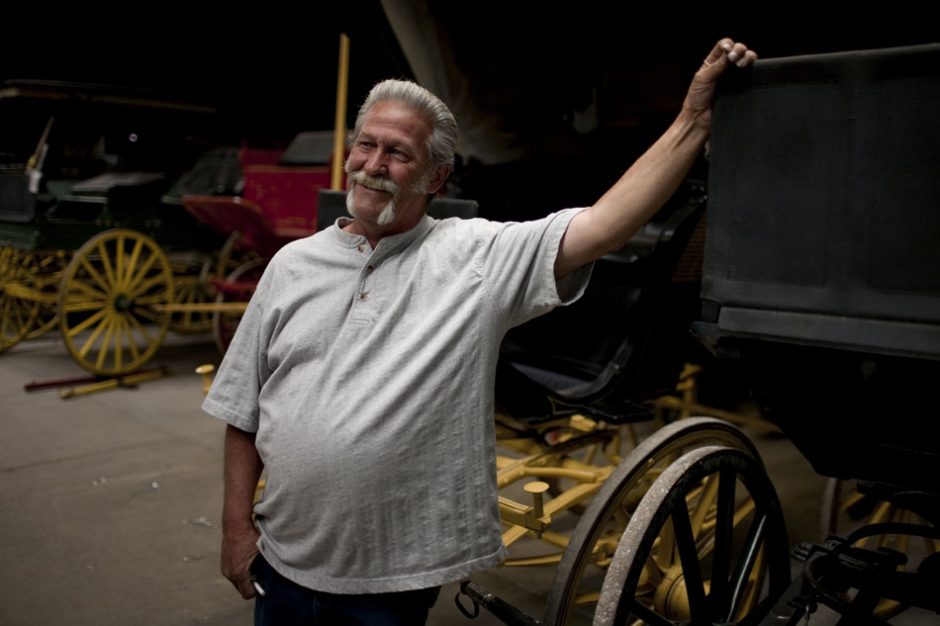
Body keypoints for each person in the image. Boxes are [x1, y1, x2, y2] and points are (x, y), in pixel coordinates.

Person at [203, 38, 757, 625]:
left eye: (399, 154)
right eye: (366, 144)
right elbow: (245, 411)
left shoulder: (474, 256)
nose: (374, 165)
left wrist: (694, 120)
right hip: (281, 560)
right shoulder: (292, 264)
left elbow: (604, 227)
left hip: (389, 580)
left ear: (436, 177)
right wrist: (236, 529)